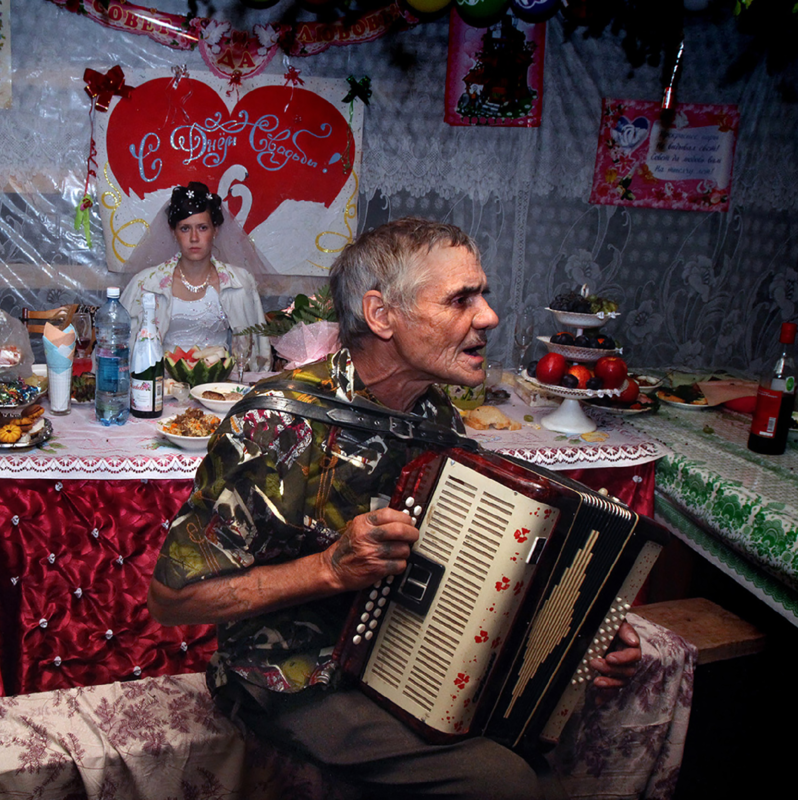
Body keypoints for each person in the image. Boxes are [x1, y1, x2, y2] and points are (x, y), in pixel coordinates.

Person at [147, 218, 643, 799]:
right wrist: (329, 570)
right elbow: (171, 599)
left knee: (532, 746)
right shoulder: (276, 423)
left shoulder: (436, 418)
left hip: (400, 652)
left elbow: (471, 563)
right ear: (381, 315)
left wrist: (578, 630)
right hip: (292, 671)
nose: (488, 317)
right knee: (505, 784)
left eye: (483, 296)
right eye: (461, 299)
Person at [121, 182, 270, 368]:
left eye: (202, 228)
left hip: (222, 388)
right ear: (173, 232)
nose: (194, 238)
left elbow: (258, 352)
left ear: (215, 231)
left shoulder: (240, 282)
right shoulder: (145, 284)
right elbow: (118, 348)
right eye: (185, 228)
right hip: (160, 387)